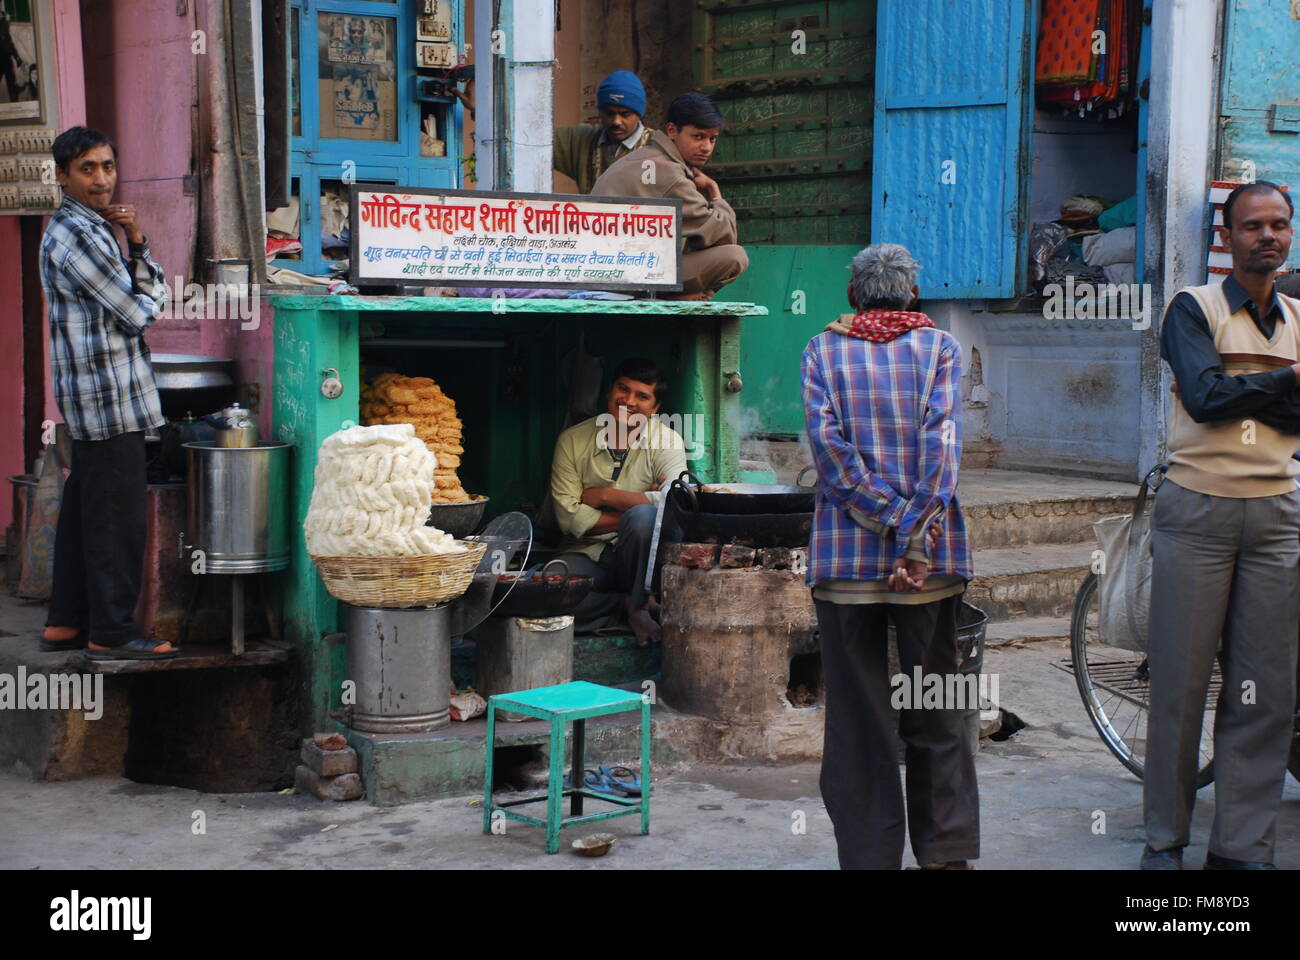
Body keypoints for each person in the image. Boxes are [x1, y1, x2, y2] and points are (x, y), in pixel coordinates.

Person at [802, 243, 977, 870]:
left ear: (853, 296)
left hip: (846, 564)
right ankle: (946, 855)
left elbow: (831, 457)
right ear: (911, 296)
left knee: (858, 721)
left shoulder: (822, 350)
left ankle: (870, 859)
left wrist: (891, 522)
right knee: (936, 705)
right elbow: (943, 453)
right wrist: (912, 532)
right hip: (929, 560)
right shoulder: (941, 349)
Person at [1142, 180, 1300, 870]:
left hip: (1278, 518)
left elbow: (1221, 394)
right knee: (1180, 686)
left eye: (1279, 225)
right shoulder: (1192, 308)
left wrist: (1248, 392)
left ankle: (1241, 849)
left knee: (1264, 693)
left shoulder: (1298, 316)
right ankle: (1164, 841)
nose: (1267, 236)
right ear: (1226, 238)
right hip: (1197, 511)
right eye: (1252, 226)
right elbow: (1203, 400)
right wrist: (1289, 384)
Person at [38, 126, 178, 660]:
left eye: (108, 167)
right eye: (87, 169)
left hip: (96, 396)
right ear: (62, 176)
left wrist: (136, 243)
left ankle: (66, 621)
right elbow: (139, 311)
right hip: (108, 398)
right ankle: (113, 632)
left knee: (84, 509)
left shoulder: (89, 228)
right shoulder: (78, 234)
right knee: (117, 520)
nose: (101, 179)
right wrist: (142, 249)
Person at [548, 358, 687, 647]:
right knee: (548, 588)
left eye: (642, 396)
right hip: (589, 555)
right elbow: (568, 518)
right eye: (623, 389)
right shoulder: (572, 441)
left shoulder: (668, 442)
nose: (629, 401)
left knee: (644, 521)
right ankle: (627, 608)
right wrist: (641, 502)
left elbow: (674, 505)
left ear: (655, 408)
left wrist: (605, 497)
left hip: (643, 561)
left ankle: (637, 604)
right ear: (610, 392)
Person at [591, 91, 748, 301]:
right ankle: (675, 298)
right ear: (672, 130)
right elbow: (723, 234)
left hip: (611, 269)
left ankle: (680, 296)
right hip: (622, 276)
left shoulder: (647, 157)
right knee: (735, 257)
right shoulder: (667, 171)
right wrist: (714, 192)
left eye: (712, 139)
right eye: (698, 136)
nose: (707, 147)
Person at [553, 70, 656, 195]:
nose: (616, 121)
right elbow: (532, 139)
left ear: (639, 114)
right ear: (600, 112)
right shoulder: (581, 139)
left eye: (625, 114)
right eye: (609, 113)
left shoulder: (658, 147)